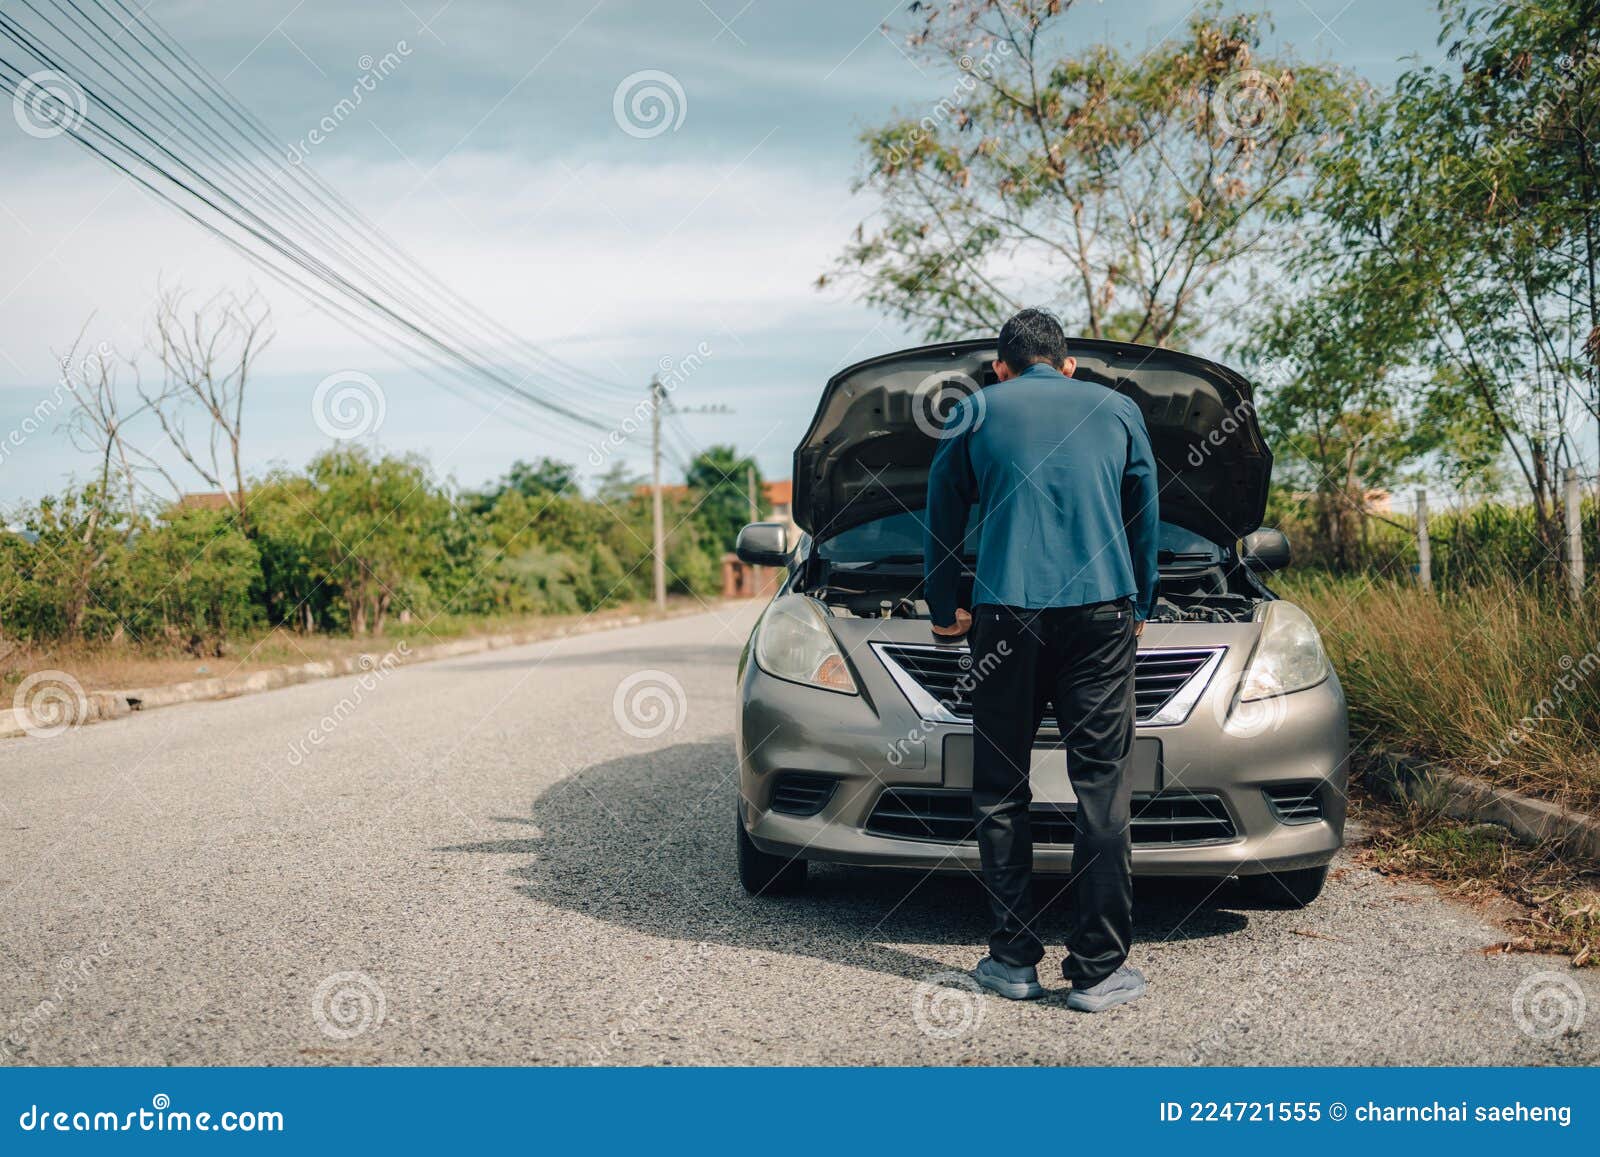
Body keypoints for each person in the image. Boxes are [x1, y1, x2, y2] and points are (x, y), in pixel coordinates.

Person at [922, 308, 1159, 1012]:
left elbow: (941, 514)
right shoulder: (1117, 408)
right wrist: (1141, 604)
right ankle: (1096, 971)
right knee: (1100, 789)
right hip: (1101, 616)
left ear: (1001, 367)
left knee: (1000, 788)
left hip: (1003, 618)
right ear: (1068, 365)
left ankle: (1013, 961)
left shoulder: (973, 410)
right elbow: (1144, 510)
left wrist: (943, 610)